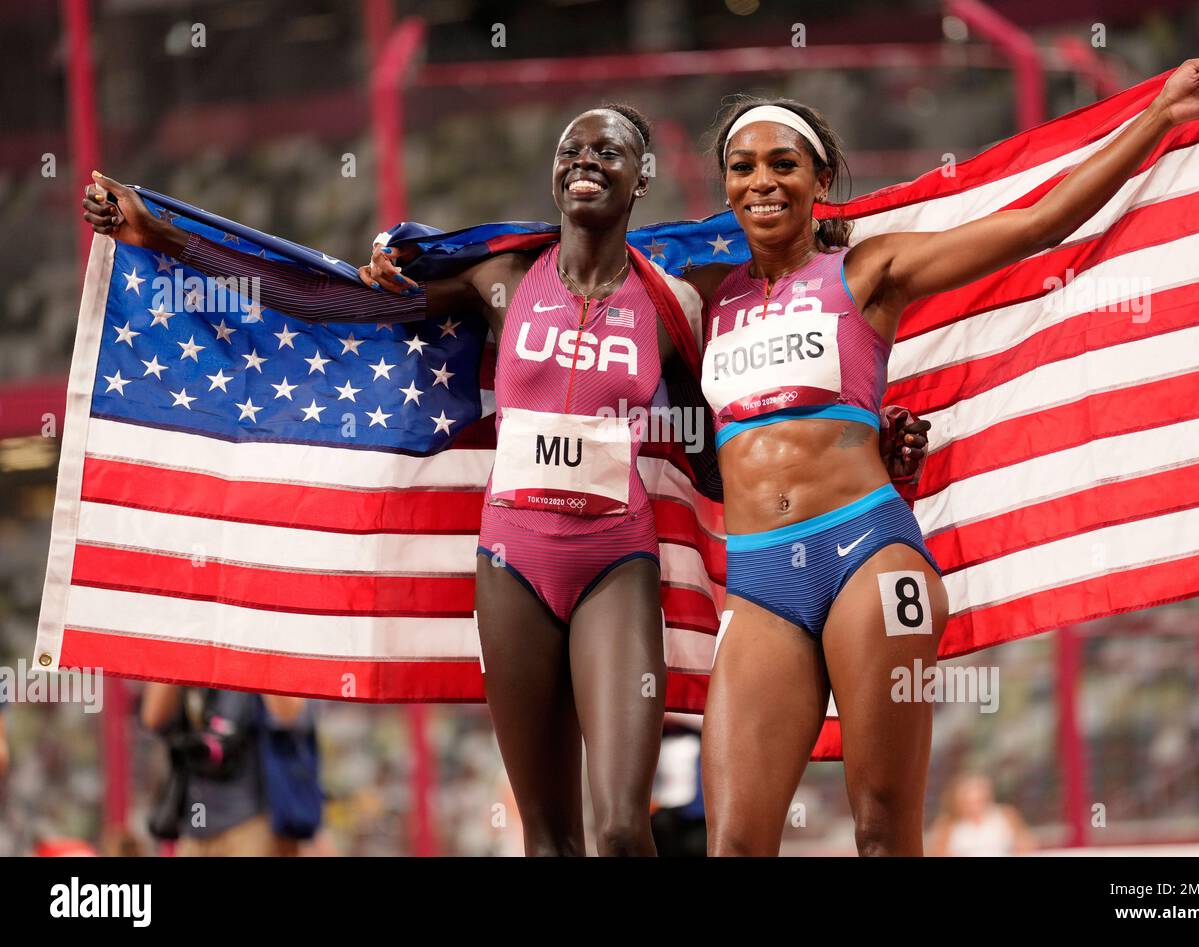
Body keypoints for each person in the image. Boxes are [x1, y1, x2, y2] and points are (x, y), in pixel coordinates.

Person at [85, 105, 926, 857]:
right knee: (546, 834)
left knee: (620, 827)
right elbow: (330, 302)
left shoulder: (672, 303)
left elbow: (732, 439)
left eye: (608, 150)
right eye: (571, 150)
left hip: (616, 564)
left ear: (641, 180)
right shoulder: (501, 282)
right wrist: (161, 234)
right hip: (512, 564)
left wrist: (856, 459)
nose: (586, 161)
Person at [680, 48, 1199, 855]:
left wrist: (1157, 115)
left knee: (883, 833)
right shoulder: (706, 294)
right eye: (743, 167)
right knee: (732, 843)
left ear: (817, 180)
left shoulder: (870, 270)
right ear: (725, 185)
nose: (762, 180)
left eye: (783, 162)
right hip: (758, 578)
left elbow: (1038, 225)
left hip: (865, 557)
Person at [141, 684, 313, 857]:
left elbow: (290, 715)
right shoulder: (194, 664)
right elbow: (153, 718)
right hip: (196, 819)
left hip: (252, 821)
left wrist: (259, 659)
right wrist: (175, 659)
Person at [927, 773, 1035, 856]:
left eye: (979, 800)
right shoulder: (948, 824)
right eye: (968, 802)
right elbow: (935, 852)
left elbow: (1026, 845)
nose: (974, 805)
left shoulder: (1006, 814)